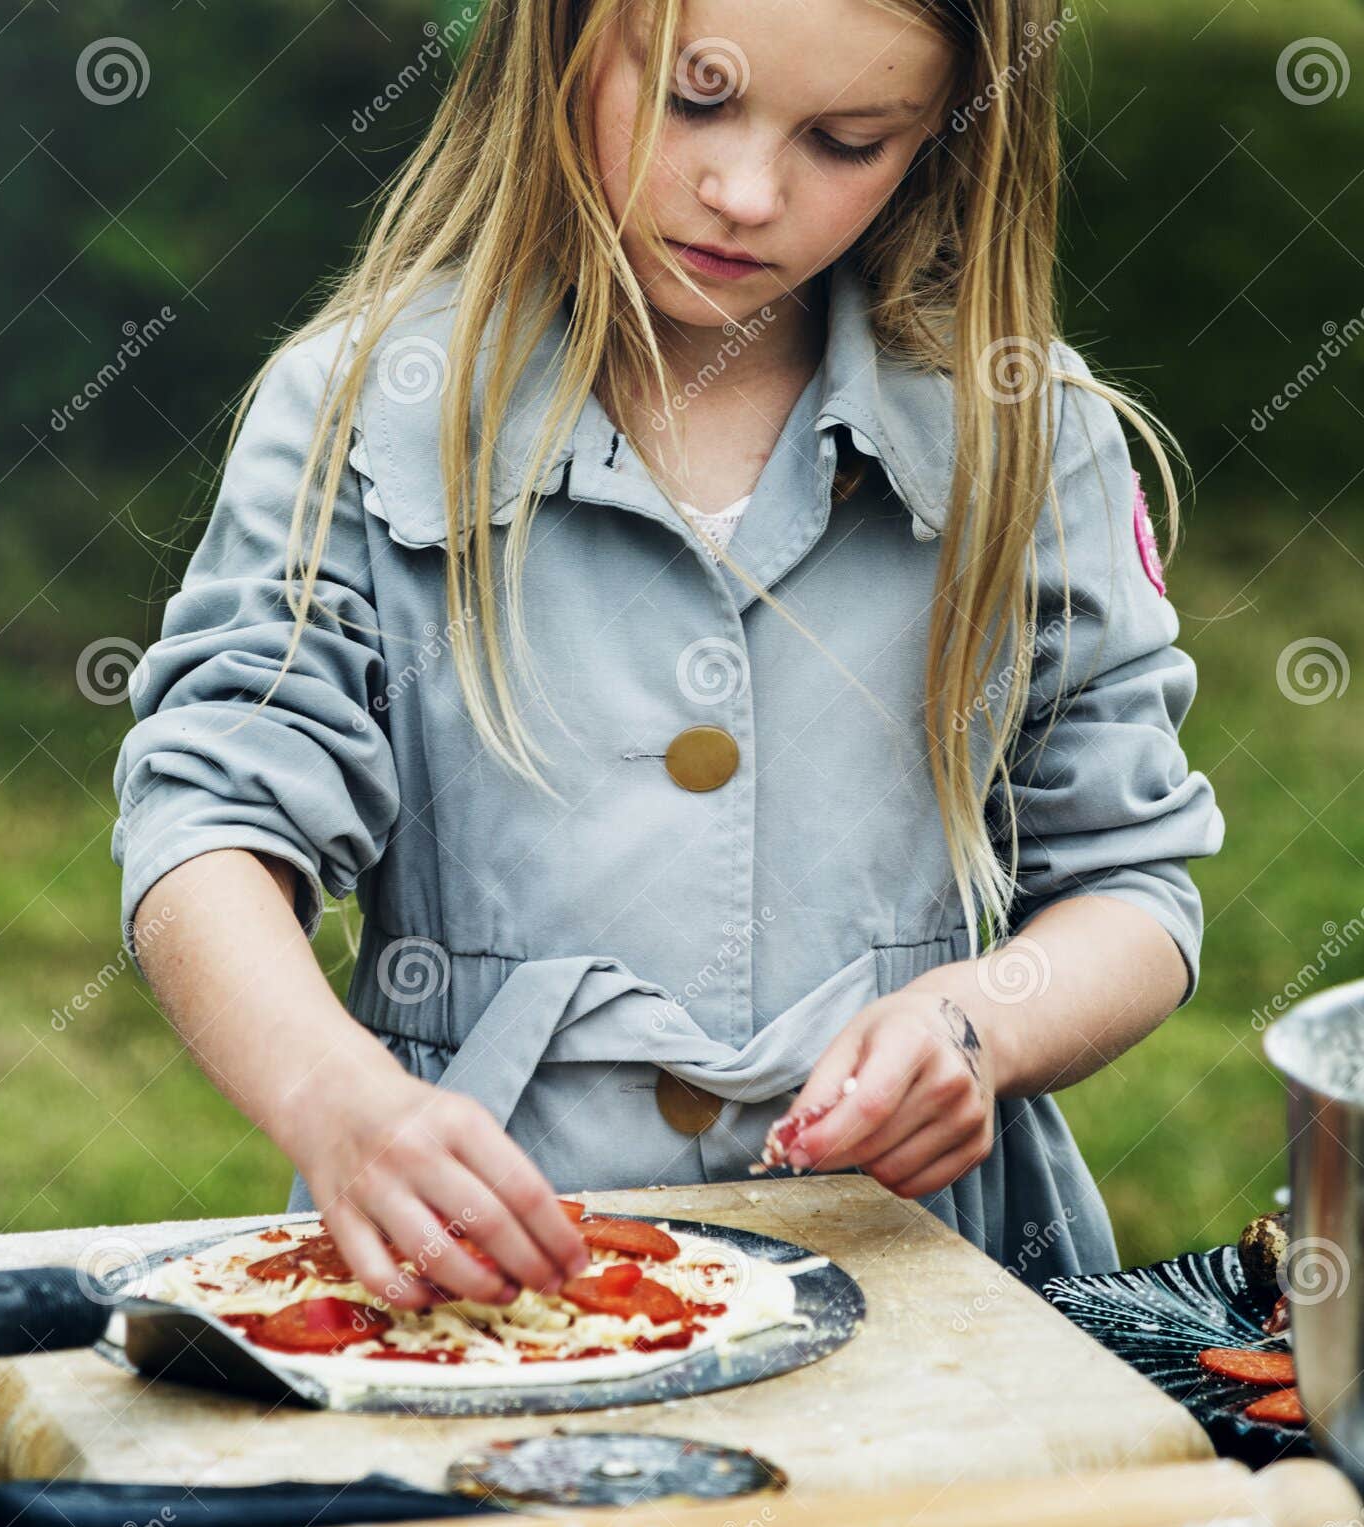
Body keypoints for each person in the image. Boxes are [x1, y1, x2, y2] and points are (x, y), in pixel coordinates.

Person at [110, 0, 1225, 1308]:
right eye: (695, 101)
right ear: (566, 40)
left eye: (849, 140)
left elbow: (1133, 889)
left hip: (927, 1294)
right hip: (486, 1287)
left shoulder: (1027, 432)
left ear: (941, 139)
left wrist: (977, 1027)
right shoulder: (360, 409)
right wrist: (334, 1096)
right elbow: (207, 827)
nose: (746, 193)